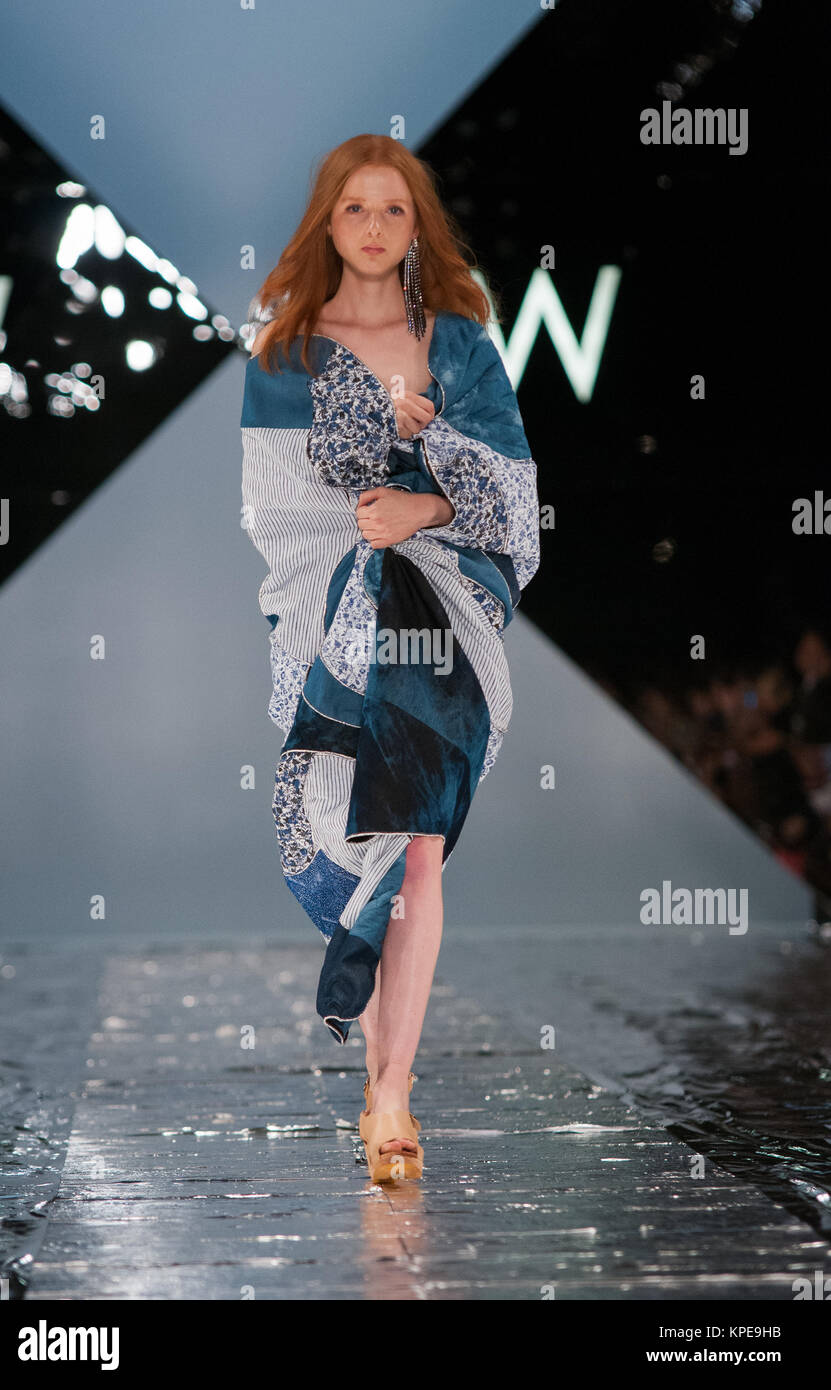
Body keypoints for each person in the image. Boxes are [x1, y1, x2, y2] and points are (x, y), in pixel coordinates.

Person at [241, 133, 540, 1181]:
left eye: (393, 211)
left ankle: (390, 1090)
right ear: (328, 223)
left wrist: (429, 493)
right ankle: (382, 1084)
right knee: (379, 837)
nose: (373, 228)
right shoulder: (283, 351)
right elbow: (272, 514)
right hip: (331, 628)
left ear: (418, 227)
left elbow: (518, 496)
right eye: (355, 210)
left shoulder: (458, 343)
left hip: (443, 616)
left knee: (418, 837)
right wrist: (358, 522)